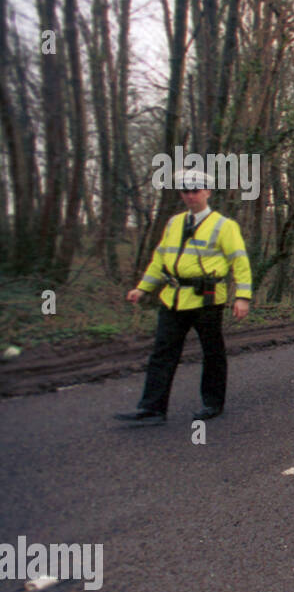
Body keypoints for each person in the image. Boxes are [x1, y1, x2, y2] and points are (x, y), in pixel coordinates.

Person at [114, 171, 253, 425]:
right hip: (173, 298)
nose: (190, 196)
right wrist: (143, 288)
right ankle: (152, 408)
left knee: (212, 352)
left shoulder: (224, 226)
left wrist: (242, 297)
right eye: (186, 191)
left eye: (196, 191)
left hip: (207, 299)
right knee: (162, 352)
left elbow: (240, 262)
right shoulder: (174, 223)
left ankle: (212, 403)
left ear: (207, 192)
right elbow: (160, 258)